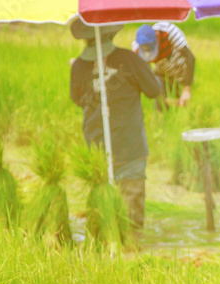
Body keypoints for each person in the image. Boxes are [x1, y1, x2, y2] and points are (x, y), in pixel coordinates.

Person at [70, 19, 163, 229]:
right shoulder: (130, 60)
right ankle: (131, 255)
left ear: (85, 37)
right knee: (131, 219)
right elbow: (154, 90)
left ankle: (105, 256)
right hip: (129, 149)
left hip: (96, 150)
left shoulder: (78, 66)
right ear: (111, 34)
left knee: (102, 217)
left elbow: (76, 99)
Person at [133, 23, 196, 107]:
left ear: (157, 36)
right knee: (160, 108)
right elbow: (145, 74)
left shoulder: (168, 31)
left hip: (181, 73)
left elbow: (190, 57)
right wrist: (163, 99)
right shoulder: (137, 48)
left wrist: (187, 88)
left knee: (187, 107)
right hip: (162, 76)